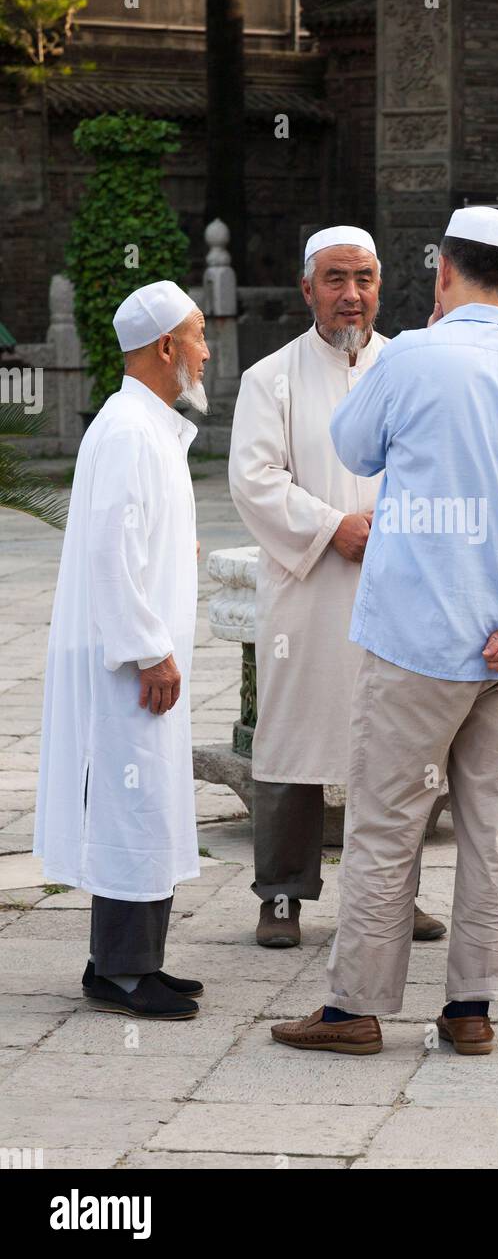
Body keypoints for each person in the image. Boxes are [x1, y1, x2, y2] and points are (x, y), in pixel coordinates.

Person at [270, 205, 498, 1057]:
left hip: (418, 642)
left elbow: (352, 449)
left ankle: (356, 1008)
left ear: (443, 273)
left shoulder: (413, 357)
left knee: (387, 823)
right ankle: (472, 1010)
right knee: (493, 827)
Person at [228, 225, 445, 949]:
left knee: (401, 746)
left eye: (364, 280)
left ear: (381, 285)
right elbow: (254, 484)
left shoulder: (414, 368)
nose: (351, 296)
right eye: (335, 280)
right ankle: (282, 897)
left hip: (401, 590)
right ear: (307, 288)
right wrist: (332, 529)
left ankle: (394, 897)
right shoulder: (271, 379)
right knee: (293, 744)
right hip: (310, 589)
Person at [34, 281, 210, 1020]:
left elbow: (141, 539)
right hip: (131, 665)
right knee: (131, 805)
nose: (206, 350)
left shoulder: (148, 424)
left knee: (149, 802)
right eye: (199, 336)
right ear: (166, 346)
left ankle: (131, 961)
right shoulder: (131, 430)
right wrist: (148, 650)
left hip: (144, 657)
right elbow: (111, 549)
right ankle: (123, 971)